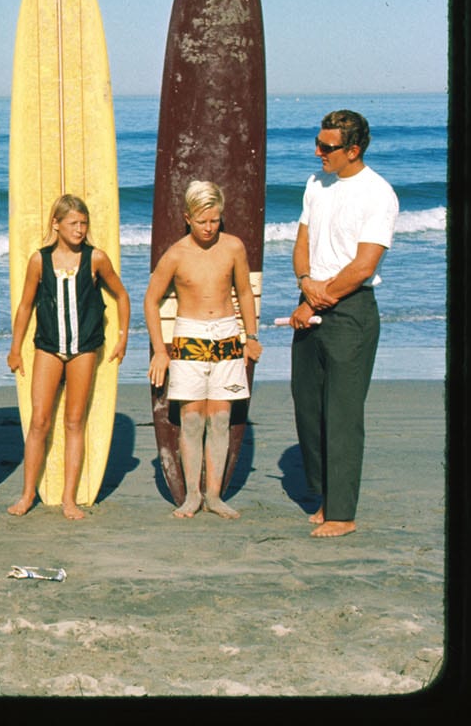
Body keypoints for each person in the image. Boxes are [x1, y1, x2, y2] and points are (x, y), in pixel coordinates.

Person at [288, 109, 398, 538]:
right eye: (318, 143)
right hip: (310, 300)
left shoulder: (378, 193)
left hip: (350, 311)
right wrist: (305, 284)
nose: (318, 152)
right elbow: (302, 243)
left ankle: (342, 513)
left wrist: (320, 296)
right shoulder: (316, 183)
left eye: (327, 147)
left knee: (343, 413)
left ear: (353, 150)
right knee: (307, 406)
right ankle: (324, 496)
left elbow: (364, 264)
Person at [6, 194, 130, 520]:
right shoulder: (40, 260)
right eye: (73, 223)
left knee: (75, 422)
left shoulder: (96, 259)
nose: (79, 229)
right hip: (48, 346)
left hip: (83, 349)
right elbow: (24, 306)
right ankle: (27, 494)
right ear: (56, 224)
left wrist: (122, 337)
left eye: (84, 223)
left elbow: (121, 295)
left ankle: (69, 499)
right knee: (39, 421)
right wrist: (15, 348)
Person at [144, 180, 261, 519]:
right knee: (192, 420)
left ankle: (215, 495)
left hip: (226, 334)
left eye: (215, 220)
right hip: (190, 335)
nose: (209, 227)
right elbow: (151, 301)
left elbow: (244, 292)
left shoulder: (234, 247)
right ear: (187, 217)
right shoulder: (177, 254)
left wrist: (250, 337)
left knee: (221, 418)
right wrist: (159, 350)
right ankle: (192, 495)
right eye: (202, 221)